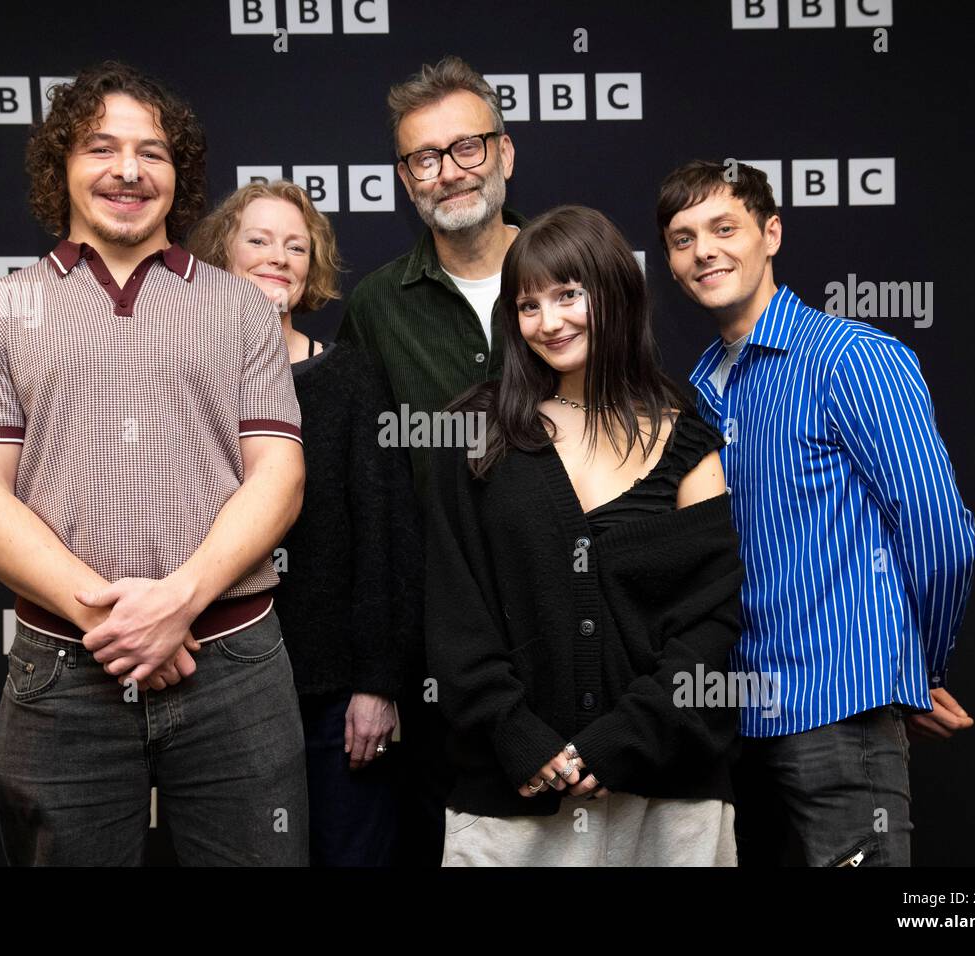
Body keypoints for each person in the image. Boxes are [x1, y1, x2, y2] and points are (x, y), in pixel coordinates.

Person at [0, 61, 309, 866]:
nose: (129, 171)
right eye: (101, 148)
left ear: (180, 174)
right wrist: (113, 620)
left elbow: (278, 477)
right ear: (60, 168)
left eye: (154, 152)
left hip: (234, 662)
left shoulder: (241, 305)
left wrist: (180, 599)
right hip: (64, 672)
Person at [657, 159, 975, 867]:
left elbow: (938, 532)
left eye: (724, 227)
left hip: (840, 715)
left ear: (771, 233)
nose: (703, 249)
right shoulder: (699, 393)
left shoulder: (852, 359)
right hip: (733, 727)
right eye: (683, 238)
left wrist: (916, 669)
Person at [425, 205, 745, 866]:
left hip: (666, 797)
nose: (550, 322)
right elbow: (456, 614)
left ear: (615, 294)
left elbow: (710, 624)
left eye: (568, 295)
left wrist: (621, 741)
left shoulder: (690, 441)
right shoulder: (477, 432)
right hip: (513, 798)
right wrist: (518, 735)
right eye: (528, 305)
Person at [188, 180, 422, 866]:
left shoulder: (348, 378)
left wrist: (377, 684)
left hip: (332, 697)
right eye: (257, 240)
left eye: (296, 245)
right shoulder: (182, 378)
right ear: (220, 257)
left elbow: (386, 534)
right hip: (213, 685)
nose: (278, 257)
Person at [336, 54, 523, 864]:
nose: (448, 173)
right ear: (405, 178)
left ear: (506, 154)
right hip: (437, 657)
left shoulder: (577, 273)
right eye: (424, 158)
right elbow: (362, 491)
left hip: (577, 633)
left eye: (467, 148)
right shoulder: (377, 306)